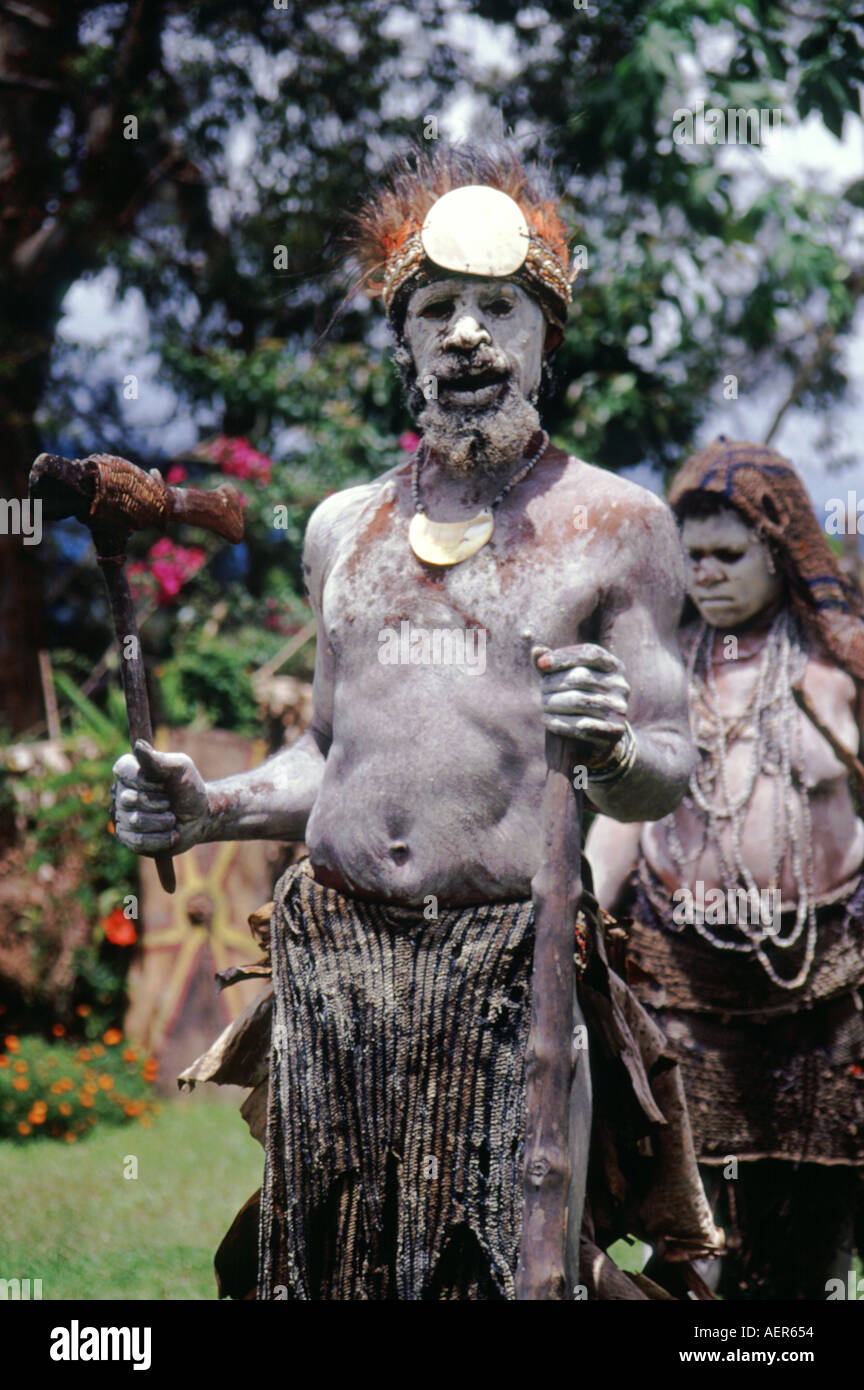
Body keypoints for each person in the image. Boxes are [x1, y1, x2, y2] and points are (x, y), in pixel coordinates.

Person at [112, 146, 717, 1300]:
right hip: (337, 966)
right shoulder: (344, 527)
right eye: (437, 308)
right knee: (329, 1271)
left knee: (515, 1276)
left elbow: (667, 766)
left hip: (510, 975)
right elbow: (329, 755)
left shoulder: (618, 523)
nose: (468, 333)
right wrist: (210, 808)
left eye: (501, 307)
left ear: (546, 335)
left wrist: (615, 748)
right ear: (403, 340)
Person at [587, 436, 864, 1300]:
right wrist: (575, 919)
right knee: (689, 1217)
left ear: (779, 552)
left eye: (728, 554)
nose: (706, 573)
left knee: (812, 1210)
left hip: (826, 985)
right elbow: (619, 821)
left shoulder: (842, 667)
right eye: (691, 555)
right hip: (683, 974)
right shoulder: (656, 672)